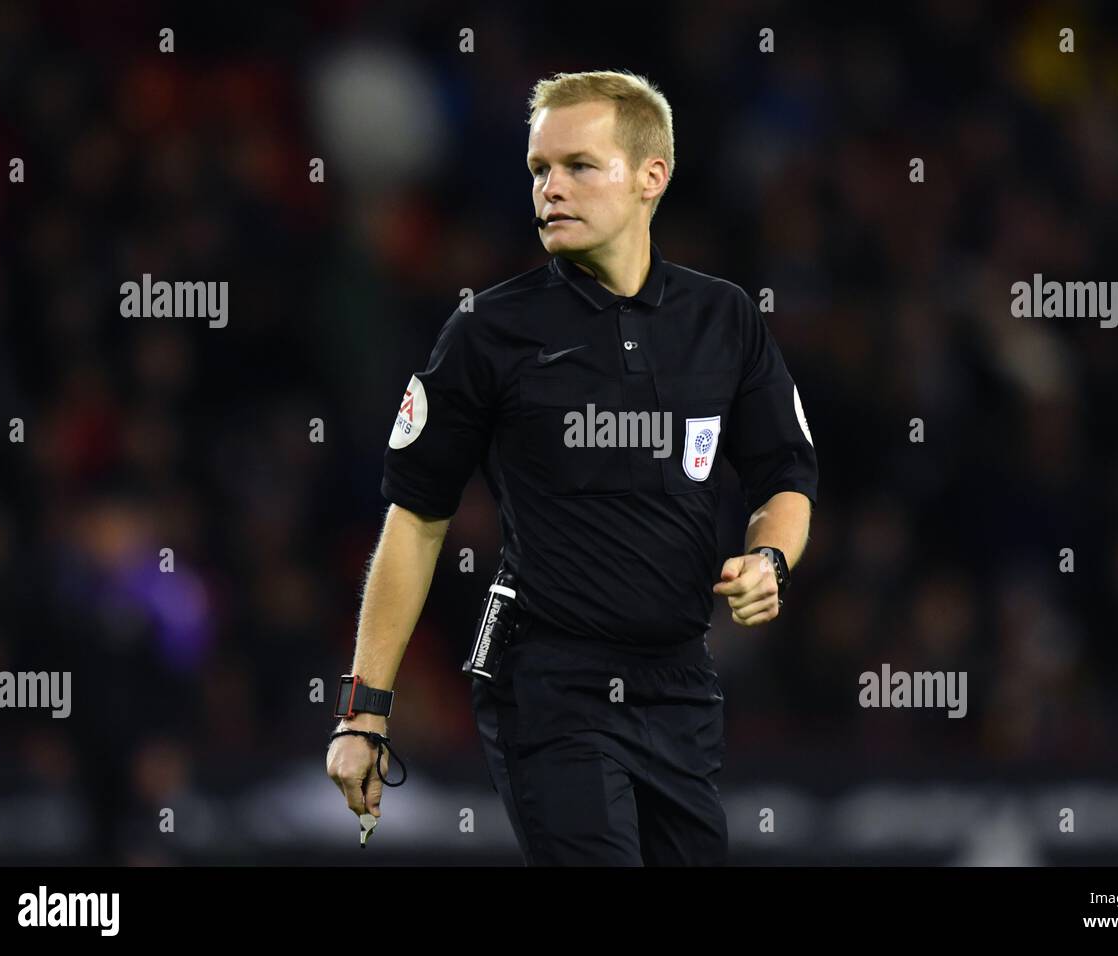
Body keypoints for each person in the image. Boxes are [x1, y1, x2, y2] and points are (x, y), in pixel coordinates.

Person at [327, 69, 817, 865]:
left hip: (681, 683)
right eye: (539, 170)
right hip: (548, 681)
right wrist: (364, 713)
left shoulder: (723, 319)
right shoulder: (488, 331)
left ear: (651, 175)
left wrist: (771, 559)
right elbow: (415, 520)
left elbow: (785, 478)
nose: (551, 188)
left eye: (579, 166)